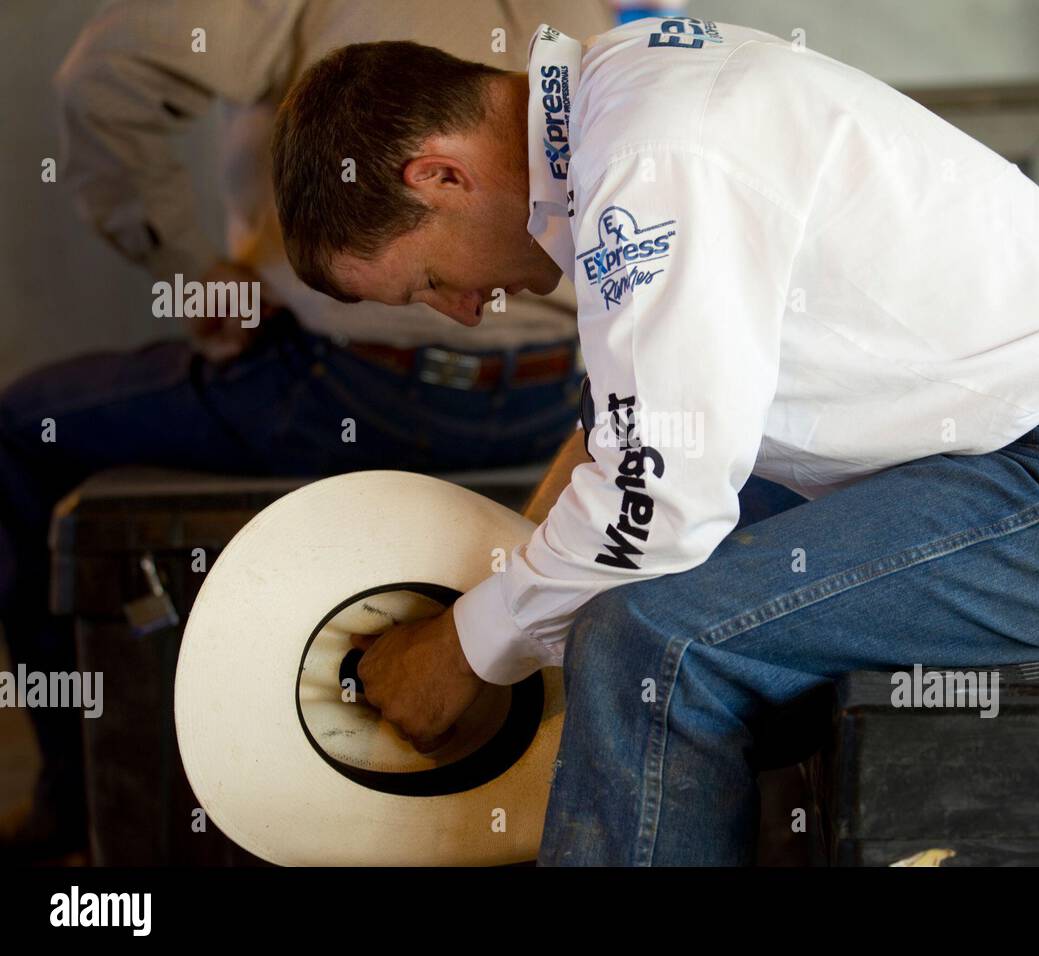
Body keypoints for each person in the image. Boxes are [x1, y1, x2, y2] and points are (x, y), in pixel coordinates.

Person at [270, 16, 1039, 865]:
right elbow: (628, 430)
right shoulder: (624, 95)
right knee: (600, 603)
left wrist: (466, 646)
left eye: (429, 281)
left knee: (648, 642)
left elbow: (659, 510)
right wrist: (515, 596)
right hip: (1022, 452)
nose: (466, 314)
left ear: (439, 174)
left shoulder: (649, 155)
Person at [0, 0, 612, 860]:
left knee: (23, 427)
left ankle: (77, 801)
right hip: (573, 393)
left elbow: (102, 74)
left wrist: (195, 271)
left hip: (358, 387)